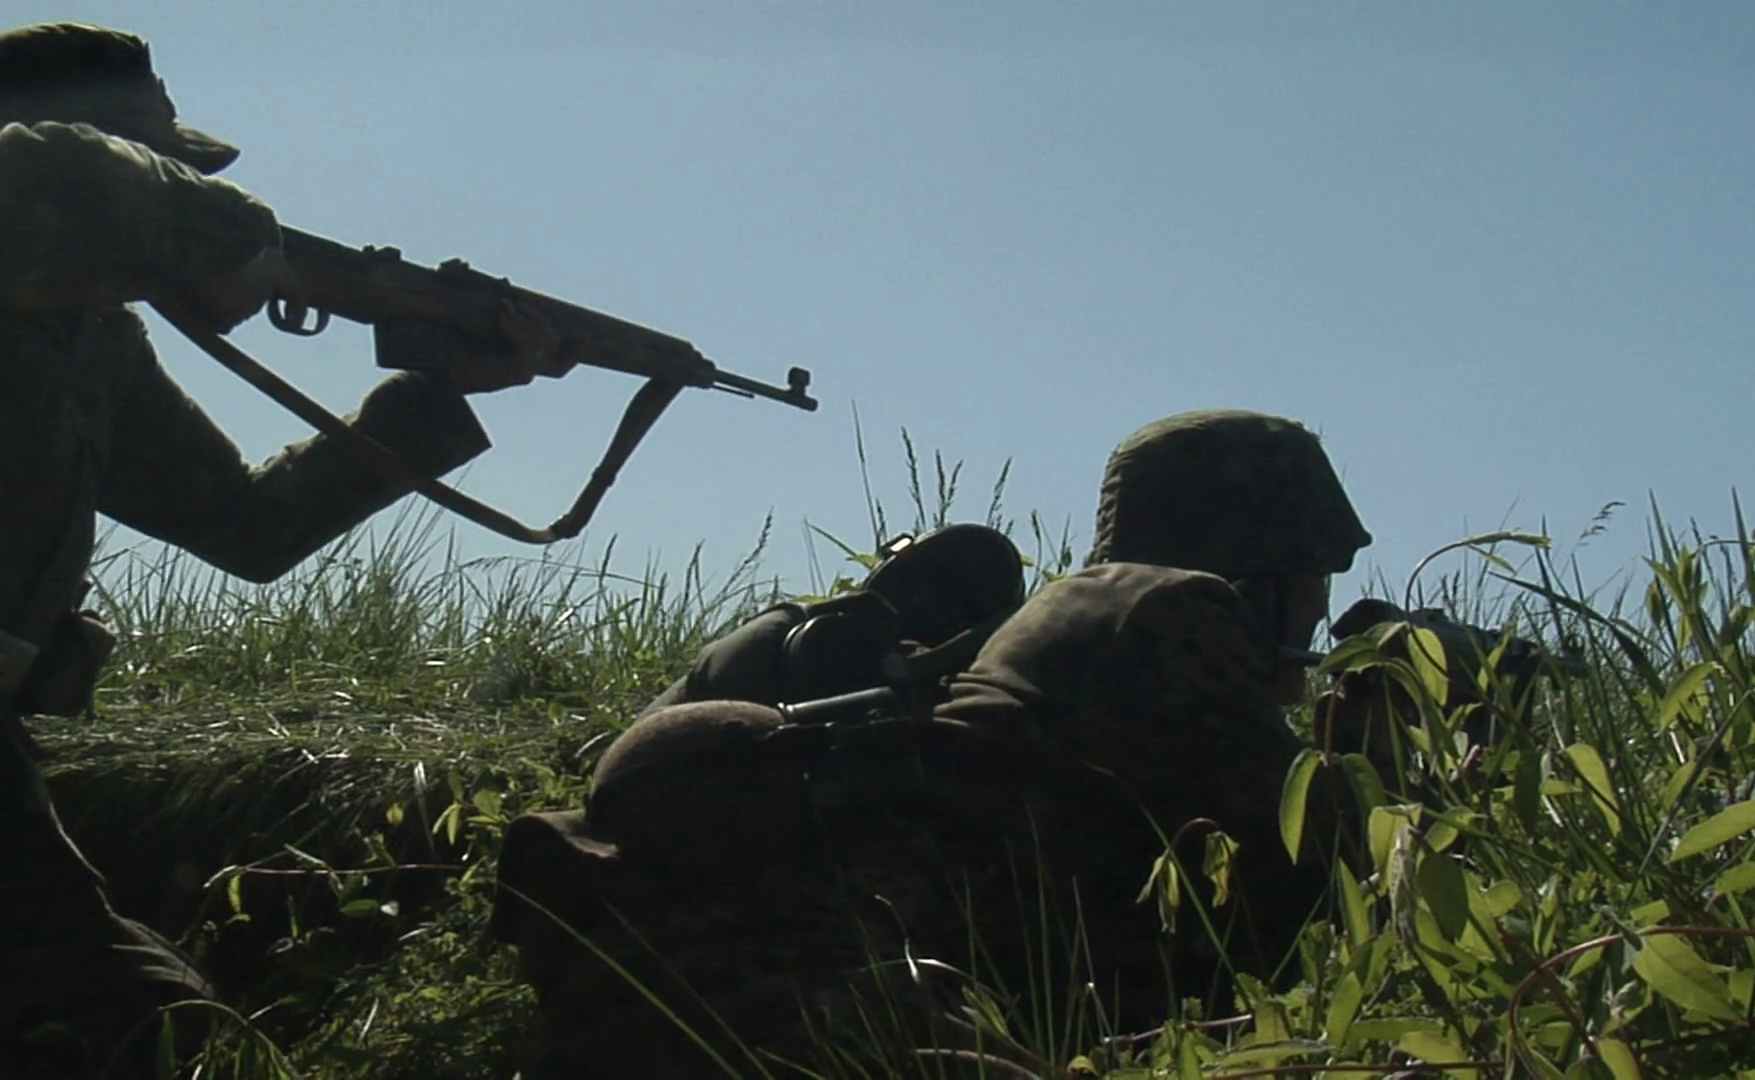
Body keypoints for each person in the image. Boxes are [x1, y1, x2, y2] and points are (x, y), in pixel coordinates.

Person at [0, 21, 569, 1078]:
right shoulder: (26, 184)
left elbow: (244, 528)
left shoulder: (94, 343)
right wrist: (243, 239)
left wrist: (433, 388)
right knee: (125, 1020)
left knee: (137, 1021)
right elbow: (59, 177)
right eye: (167, 170)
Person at [493, 409, 1375, 1078]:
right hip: (824, 996)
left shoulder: (1075, 619)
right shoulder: (1171, 602)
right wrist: (1402, 747)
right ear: (1262, 572)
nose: (1320, 619)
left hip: (741, 977)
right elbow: (1312, 875)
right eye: (1313, 587)